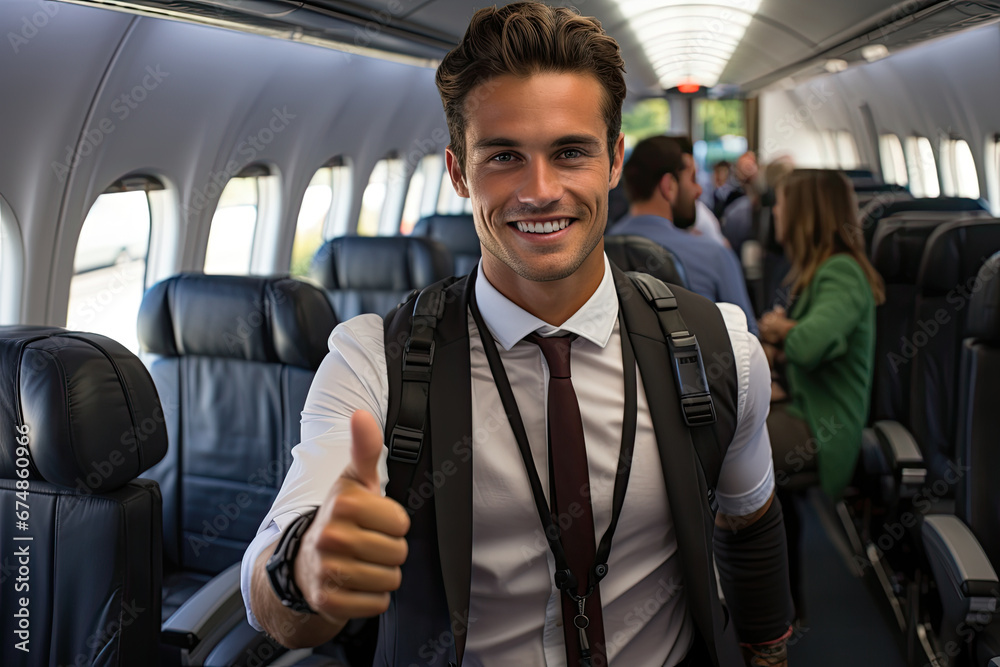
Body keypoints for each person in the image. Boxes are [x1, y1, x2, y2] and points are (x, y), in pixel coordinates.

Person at [243, 4, 793, 666]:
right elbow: (270, 590)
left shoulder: (719, 347)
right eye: (504, 155)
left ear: (614, 161)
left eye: (570, 151)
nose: (540, 190)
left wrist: (768, 653)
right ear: (457, 171)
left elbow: (748, 517)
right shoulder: (373, 362)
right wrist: (305, 573)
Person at [757, 168, 884, 619]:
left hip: (824, 428)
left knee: (724, 448)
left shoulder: (842, 273)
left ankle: (764, 602)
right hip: (805, 410)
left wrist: (779, 329)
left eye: (783, 204)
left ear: (807, 213)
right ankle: (780, 599)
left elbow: (809, 345)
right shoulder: (819, 271)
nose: (775, 212)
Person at [609, 135, 759, 336]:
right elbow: (748, 341)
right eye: (693, 179)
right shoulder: (713, 255)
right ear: (668, 186)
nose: (698, 190)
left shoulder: (600, 252)